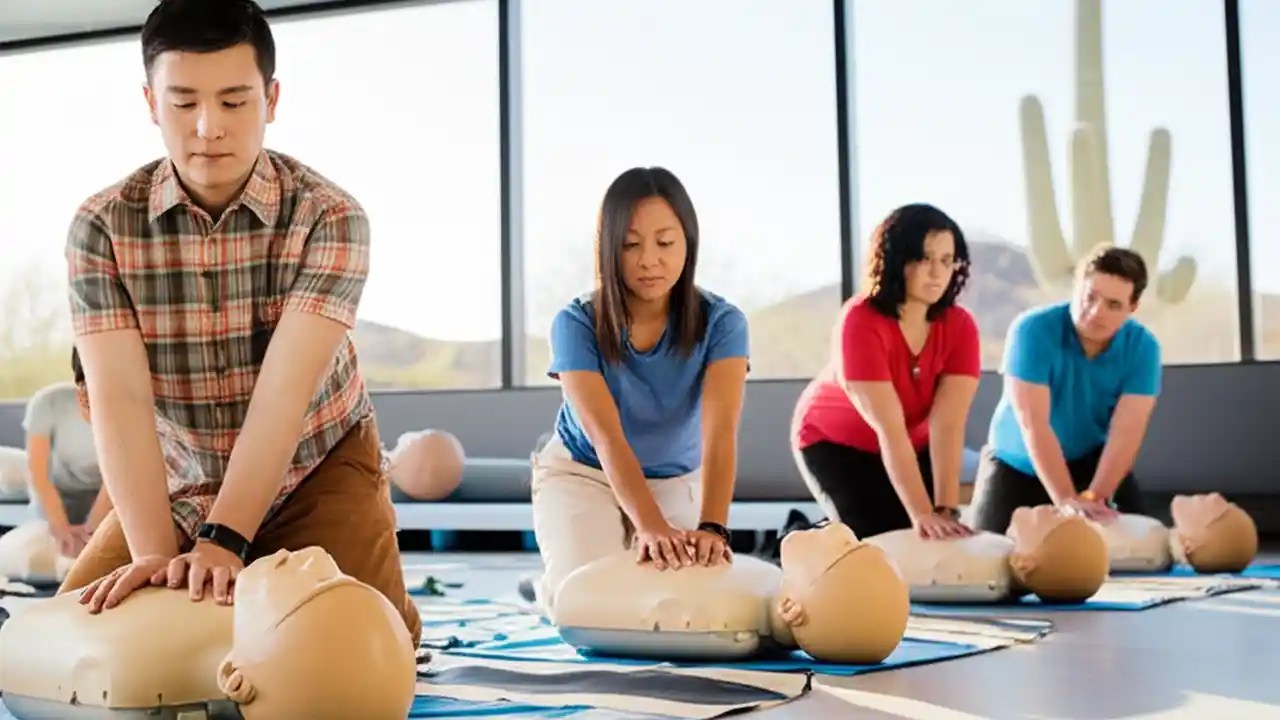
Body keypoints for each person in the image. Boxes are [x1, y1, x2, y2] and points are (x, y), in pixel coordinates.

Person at [60, 0, 421, 649]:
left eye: (233, 102)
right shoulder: (100, 226)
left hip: (317, 461)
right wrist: (155, 556)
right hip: (180, 477)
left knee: (365, 650)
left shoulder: (332, 217)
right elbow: (118, 396)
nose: (207, 127)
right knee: (82, 643)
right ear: (150, 102)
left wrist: (225, 542)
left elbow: (284, 392)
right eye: (183, 102)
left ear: (271, 98)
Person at [527, 166, 751, 617]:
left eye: (665, 242)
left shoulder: (724, 323)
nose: (649, 259)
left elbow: (720, 433)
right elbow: (606, 436)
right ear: (609, 248)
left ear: (688, 242)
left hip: (674, 479)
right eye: (631, 245)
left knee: (682, 603)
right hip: (583, 473)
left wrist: (713, 528)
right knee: (591, 604)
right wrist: (650, 526)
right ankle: (551, 586)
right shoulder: (575, 323)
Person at [790, 203, 981, 541]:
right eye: (923, 259)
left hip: (911, 443)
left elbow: (948, 425)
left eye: (946, 260)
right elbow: (889, 428)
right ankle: (799, 534)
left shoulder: (961, 325)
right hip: (835, 441)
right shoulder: (860, 320)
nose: (936, 272)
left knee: (925, 534)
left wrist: (945, 510)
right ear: (896, 259)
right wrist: (922, 512)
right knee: (880, 541)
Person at [968, 244, 1160, 534]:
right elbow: (1034, 424)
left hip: (1089, 465)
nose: (1096, 312)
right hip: (1016, 464)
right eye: (1089, 297)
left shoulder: (1144, 347)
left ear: (1132, 308)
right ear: (1076, 288)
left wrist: (1095, 497)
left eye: (1113, 305)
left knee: (1141, 543)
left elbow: (1127, 431)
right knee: (994, 555)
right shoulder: (1031, 330)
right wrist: (1067, 502)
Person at [21, 349, 111, 560]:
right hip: (58, 496)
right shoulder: (47, 402)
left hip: (110, 498)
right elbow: (38, 474)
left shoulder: (132, 406)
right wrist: (60, 526)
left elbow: (119, 479)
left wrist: (92, 529)